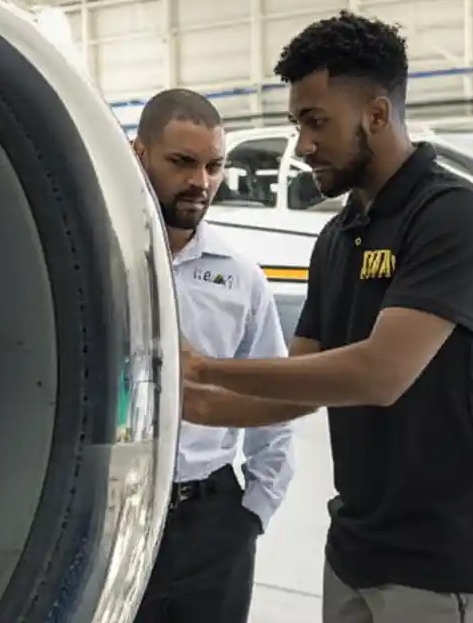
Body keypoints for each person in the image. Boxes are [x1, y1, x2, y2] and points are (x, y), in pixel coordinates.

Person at [178, 12, 473, 622]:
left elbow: (378, 374)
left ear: (375, 114)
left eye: (316, 123)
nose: (304, 144)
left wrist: (210, 369)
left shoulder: (451, 217)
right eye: (297, 124)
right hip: (357, 540)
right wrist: (192, 403)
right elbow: (303, 380)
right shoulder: (338, 237)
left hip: (445, 550)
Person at [130, 88, 294, 623]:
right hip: (118, 515)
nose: (201, 181)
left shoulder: (239, 276)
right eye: (182, 162)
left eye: (213, 165)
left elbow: (273, 394)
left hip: (213, 520)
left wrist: (252, 514)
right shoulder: (103, 262)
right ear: (140, 156)